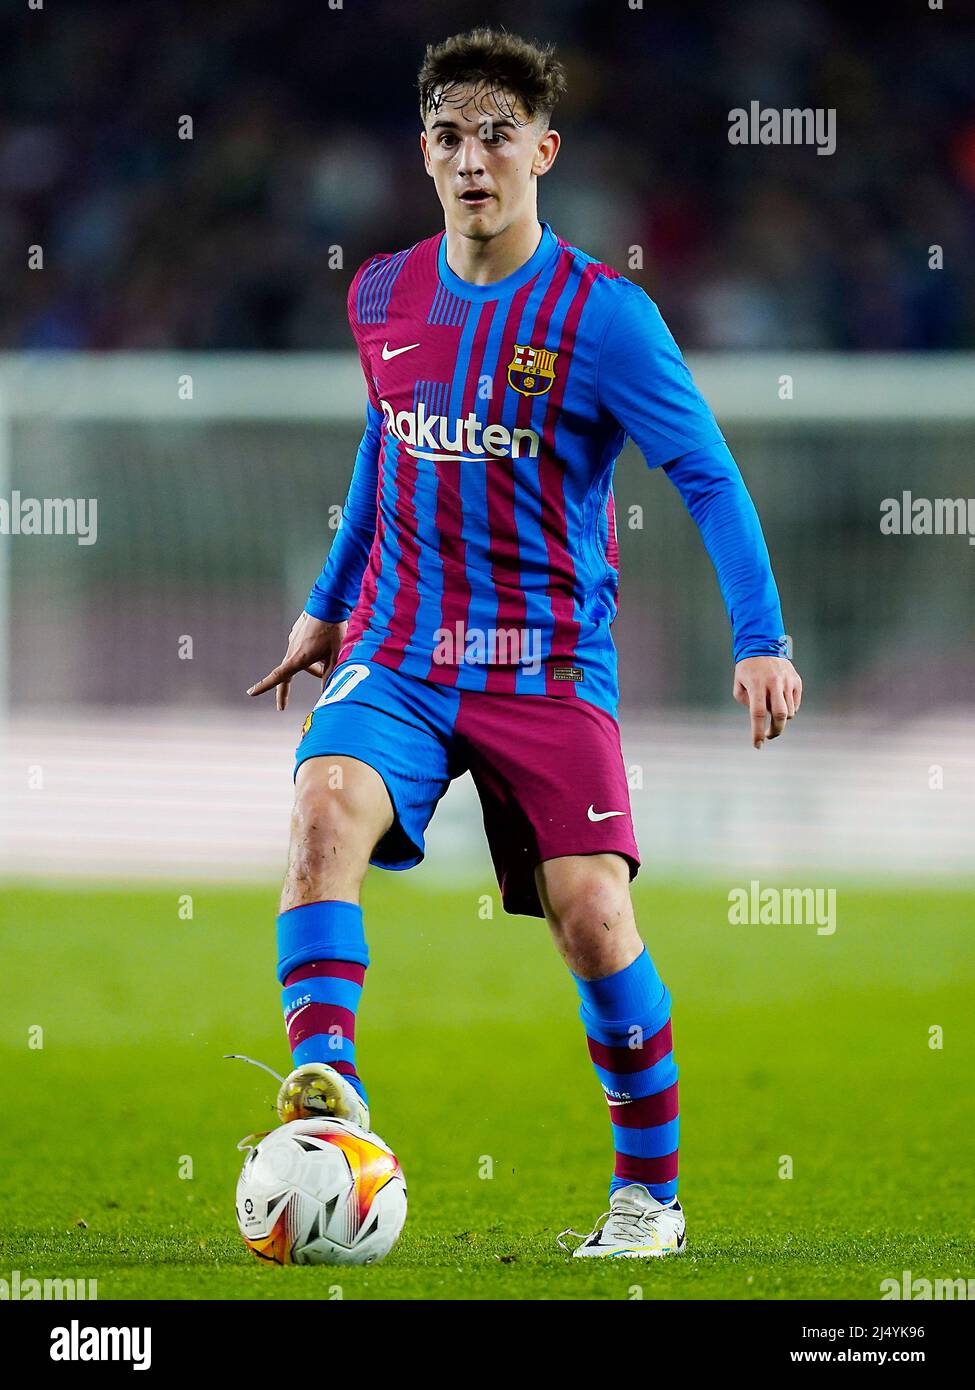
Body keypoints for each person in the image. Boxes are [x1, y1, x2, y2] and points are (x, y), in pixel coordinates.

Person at [248, 27, 802, 1258]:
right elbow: (386, 442)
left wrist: (759, 637)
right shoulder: (382, 291)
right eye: (448, 136)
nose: (472, 159)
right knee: (322, 807)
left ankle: (648, 1197)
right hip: (399, 650)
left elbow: (706, 476)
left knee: (593, 921)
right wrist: (328, 604)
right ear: (426, 157)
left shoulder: (605, 320)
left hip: (547, 667)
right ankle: (325, 1102)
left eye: (498, 134)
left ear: (544, 151)